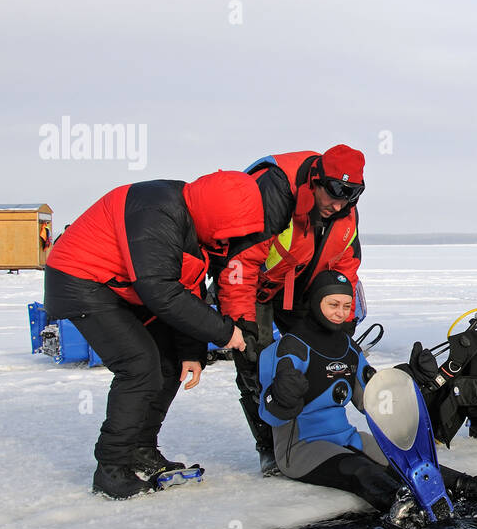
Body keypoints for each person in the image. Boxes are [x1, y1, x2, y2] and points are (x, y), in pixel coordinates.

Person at [45, 169, 294, 499]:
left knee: (168, 363)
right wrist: (223, 332)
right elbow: (159, 291)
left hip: (125, 287)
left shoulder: (200, 232)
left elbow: (186, 291)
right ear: (217, 216)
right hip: (81, 280)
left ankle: (142, 451)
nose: (228, 243)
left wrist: (190, 351)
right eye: (228, 235)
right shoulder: (157, 210)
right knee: (138, 365)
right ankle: (111, 468)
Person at [258, 271, 477, 527]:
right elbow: (269, 414)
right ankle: (407, 511)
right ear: (315, 302)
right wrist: (283, 396)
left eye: (346, 306)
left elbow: (376, 396)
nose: (340, 313)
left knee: (413, 462)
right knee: (361, 470)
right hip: (301, 447)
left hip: (345, 438)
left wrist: (413, 376)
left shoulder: (347, 347)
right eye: (332, 304)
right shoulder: (292, 347)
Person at [216, 147, 365, 477]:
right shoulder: (274, 192)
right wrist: (242, 321)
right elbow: (241, 261)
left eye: (349, 197)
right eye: (333, 195)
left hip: (298, 284)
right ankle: (270, 447)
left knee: (323, 352)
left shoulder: (344, 207)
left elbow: (345, 264)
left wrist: (344, 314)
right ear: (315, 181)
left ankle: (315, 435)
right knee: (258, 360)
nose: (338, 205)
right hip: (253, 286)